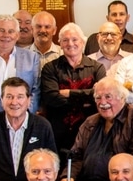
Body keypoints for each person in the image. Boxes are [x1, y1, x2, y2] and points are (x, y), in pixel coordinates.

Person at [60, 78, 133, 181]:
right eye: (98, 98)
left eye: (108, 97)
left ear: (122, 98)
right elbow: (76, 155)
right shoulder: (90, 122)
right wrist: (68, 176)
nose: (102, 102)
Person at [39, 23, 106, 153]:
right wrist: (87, 99)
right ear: (60, 43)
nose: (70, 44)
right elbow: (51, 98)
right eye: (65, 40)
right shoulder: (50, 68)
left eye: (74, 39)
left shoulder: (97, 68)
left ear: (82, 42)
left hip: (90, 132)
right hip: (58, 134)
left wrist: (69, 93)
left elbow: (101, 96)